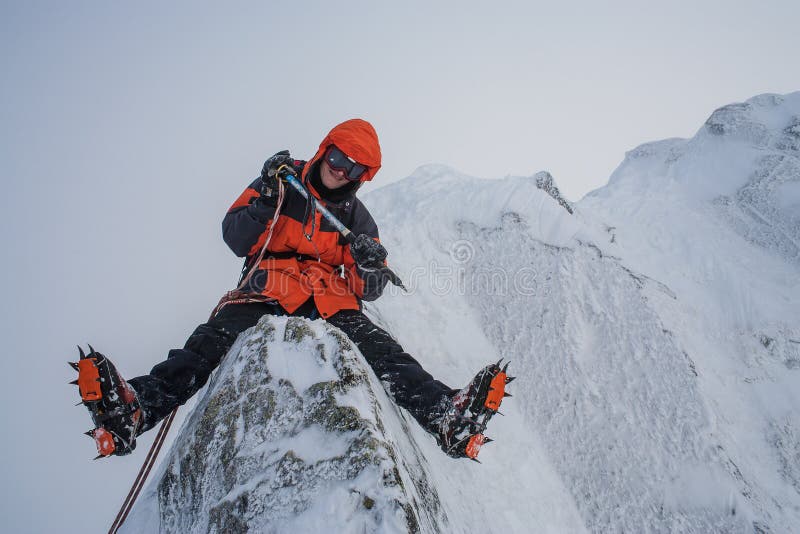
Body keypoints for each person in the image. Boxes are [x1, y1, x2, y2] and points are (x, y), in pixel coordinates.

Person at [72, 119, 510, 461]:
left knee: (386, 354)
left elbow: (371, 288)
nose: (340, 170)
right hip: (266, 290)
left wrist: (367, 261)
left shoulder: (358, 220)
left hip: (330, 301)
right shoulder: (280, 182)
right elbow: (235, 237)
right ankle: (134, 410)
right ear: (325, 149)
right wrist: (266, 196)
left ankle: (448, 419)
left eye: (353, 167)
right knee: (205, 347)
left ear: (363, 175)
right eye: (337, 157)